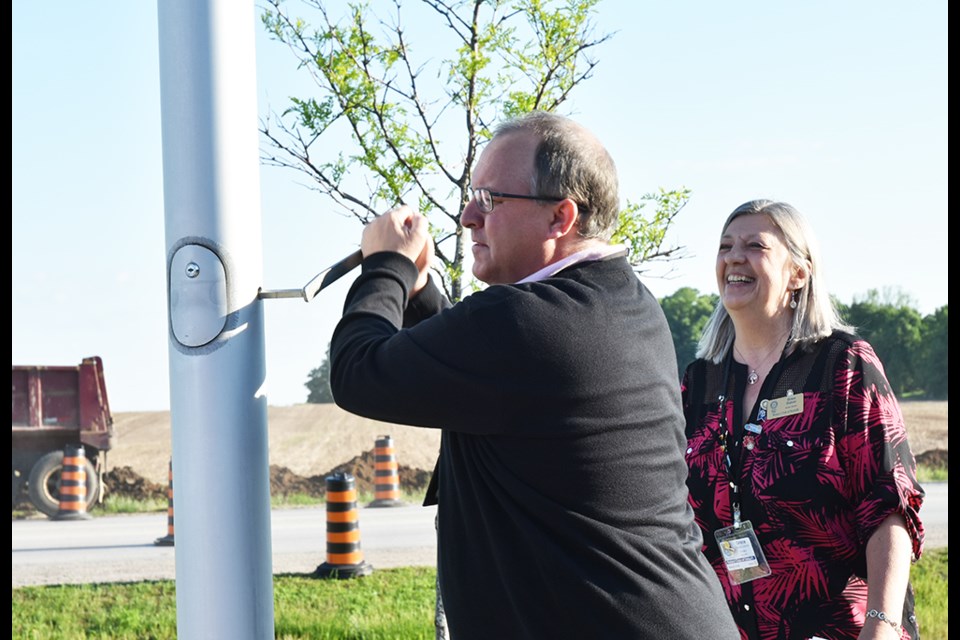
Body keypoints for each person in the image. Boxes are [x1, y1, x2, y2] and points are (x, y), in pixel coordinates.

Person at [329, 111, 739, 639]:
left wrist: (386, 266)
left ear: (559, 217)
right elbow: (482, 375)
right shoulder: (618, 302)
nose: (467, 216)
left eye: (490, 199)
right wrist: (417, 290)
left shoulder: (525, 322)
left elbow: (358, 372)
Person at [680, 199, 926, 640]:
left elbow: (889, 508)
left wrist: (882, 627)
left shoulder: (843, 365)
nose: (734, 256)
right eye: (725, 245)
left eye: (755, 245)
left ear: (798, 273)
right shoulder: (696, 384)